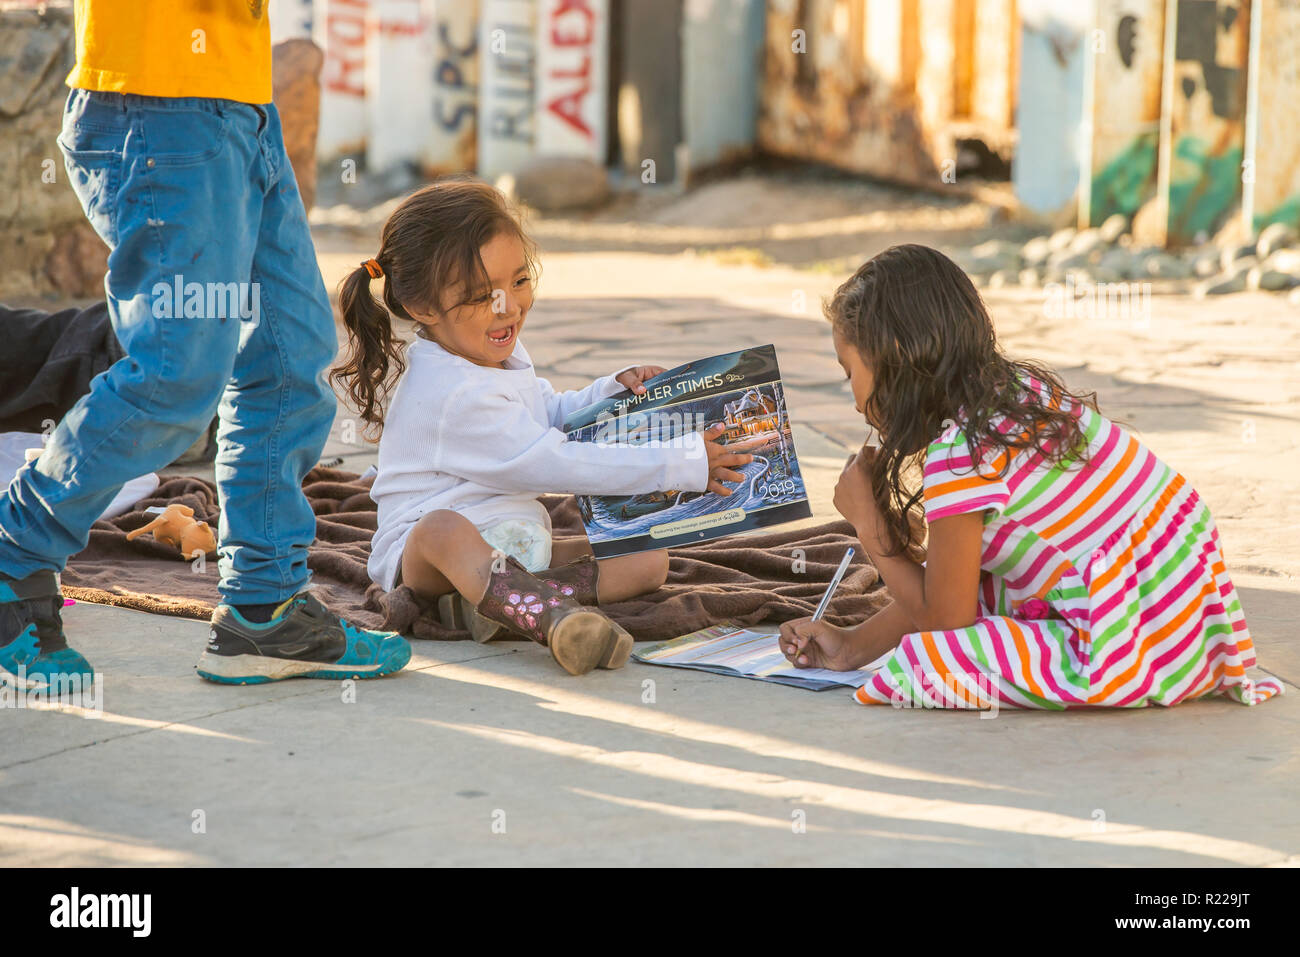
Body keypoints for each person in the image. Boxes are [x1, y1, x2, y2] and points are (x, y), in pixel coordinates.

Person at [0, 2, 412, 687]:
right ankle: (15, 552)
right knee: (176, 371)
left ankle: (264, 605)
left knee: (288, 359)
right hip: (155, 105)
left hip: (241, 106)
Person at [779, 244, 1283, 709]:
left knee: (924, 665)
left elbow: (942, 622)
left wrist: (870, 525)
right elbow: (954, 585)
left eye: (850, 373)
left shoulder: (960, 454)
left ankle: (1099, 666)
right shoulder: (1018, 394)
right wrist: (848, 648)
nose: (852, 397)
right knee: (986, 585)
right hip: (1186, 619)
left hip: (1128, 639)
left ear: (893, 354)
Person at [333, 179, 756, 675]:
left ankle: (490, 602)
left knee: (647, 560)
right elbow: (554, 459)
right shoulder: (452, 393)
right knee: (444, 529)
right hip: (427, 557)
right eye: (479, 295)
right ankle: (554, 620)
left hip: (515, 542)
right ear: (422, 306)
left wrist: (608, 393)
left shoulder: (493, 352)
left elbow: (546, 412)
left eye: (518, 281)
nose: (507, 307)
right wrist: (677, 462)